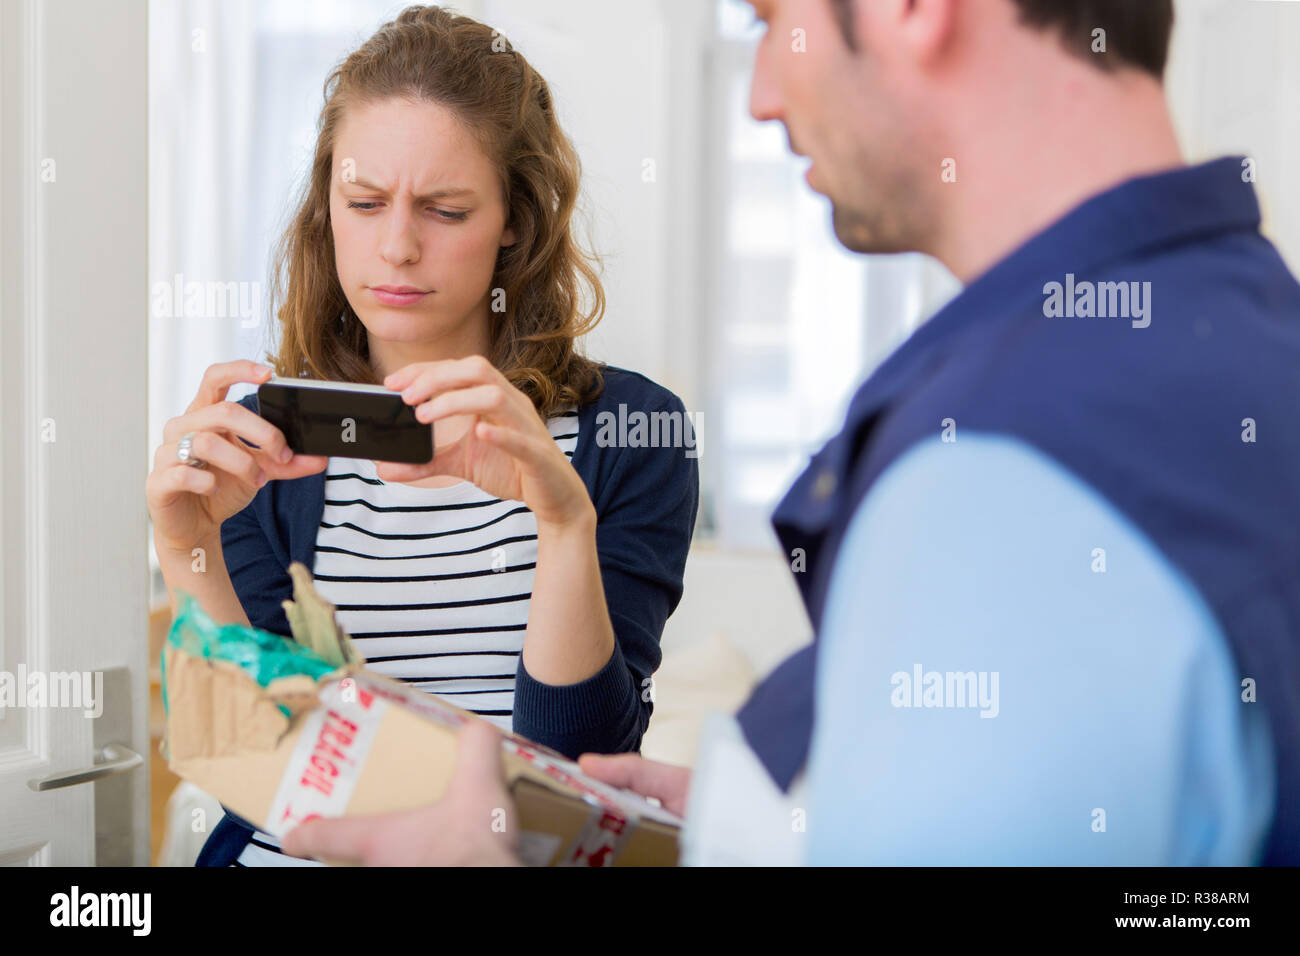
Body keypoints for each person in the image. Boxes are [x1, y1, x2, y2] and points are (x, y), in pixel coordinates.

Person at [286, 0, 1300, 866]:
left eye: (774, 21)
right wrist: (769, 827)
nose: (762, 91)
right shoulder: (1244, 330)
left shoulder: (1015, 461)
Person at [144, 4, 699, 867]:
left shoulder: (634, 434)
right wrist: (187, 547)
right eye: (364, 202)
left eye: (444, 210)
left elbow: (581, 766)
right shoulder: (268, 439)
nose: (396, 246)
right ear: (326, 208)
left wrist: (563, 524)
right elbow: (256, 768)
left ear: (515, 218)